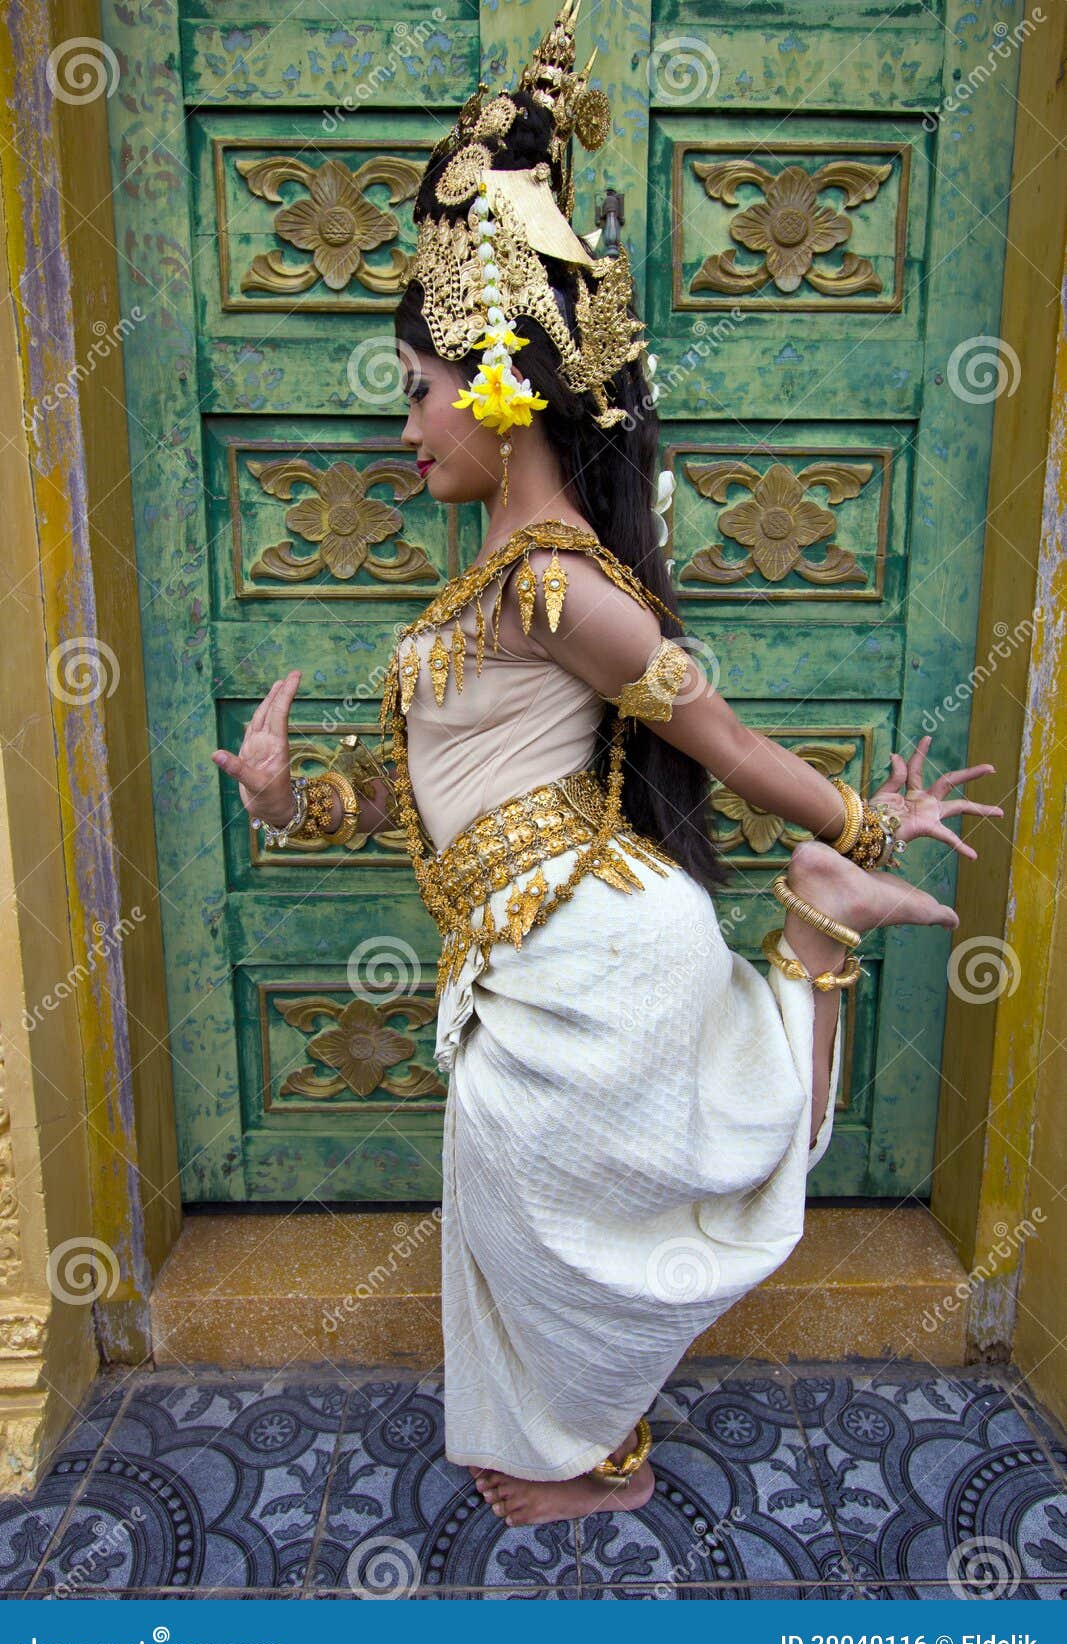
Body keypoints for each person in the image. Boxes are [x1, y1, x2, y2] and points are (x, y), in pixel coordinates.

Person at [210, 1, 1003, 1530]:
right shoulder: (491, 590)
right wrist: (286, 799)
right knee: (532, 1203)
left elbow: (723, 738)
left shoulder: (562, 586)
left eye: (416, 393)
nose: (403, 433)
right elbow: (428, 798)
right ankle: (584, 1442)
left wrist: (863, 814)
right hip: (528, 945)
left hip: (590, 945)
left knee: (571, 1211)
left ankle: (817, 917)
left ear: (498, 387)